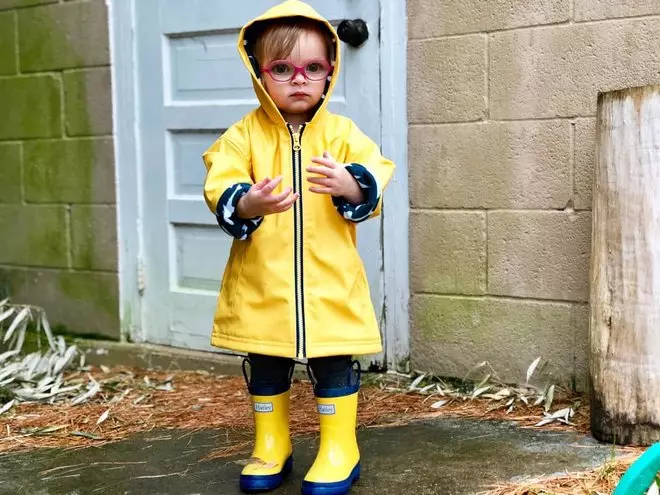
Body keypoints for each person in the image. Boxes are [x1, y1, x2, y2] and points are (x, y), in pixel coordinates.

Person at [202, 1, 395, 493]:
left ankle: (338, 446)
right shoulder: (243, 136)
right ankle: (272, 444)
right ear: (259, 72)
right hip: (265, 282)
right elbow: (219, 182)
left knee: (333, 362)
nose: (299, 80)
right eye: (283, 69)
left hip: (329, 280)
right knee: (267, 361)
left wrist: (351, 186)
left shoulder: (342, 133)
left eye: (313, 68)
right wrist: (248, 202)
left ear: (330, 70)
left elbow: (375, 173)